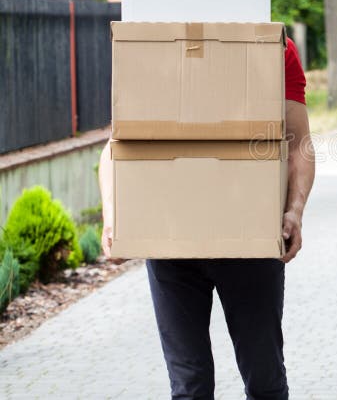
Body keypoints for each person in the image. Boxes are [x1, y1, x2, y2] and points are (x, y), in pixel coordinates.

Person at [98, 37, 315, 400]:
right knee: (189, 387)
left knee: (264, 381)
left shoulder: (273, 47)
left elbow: (299, 143)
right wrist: (113, 218)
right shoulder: (151, 45)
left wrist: (295, 210)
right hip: (171, 242)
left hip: (252, 238)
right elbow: (118, 141)